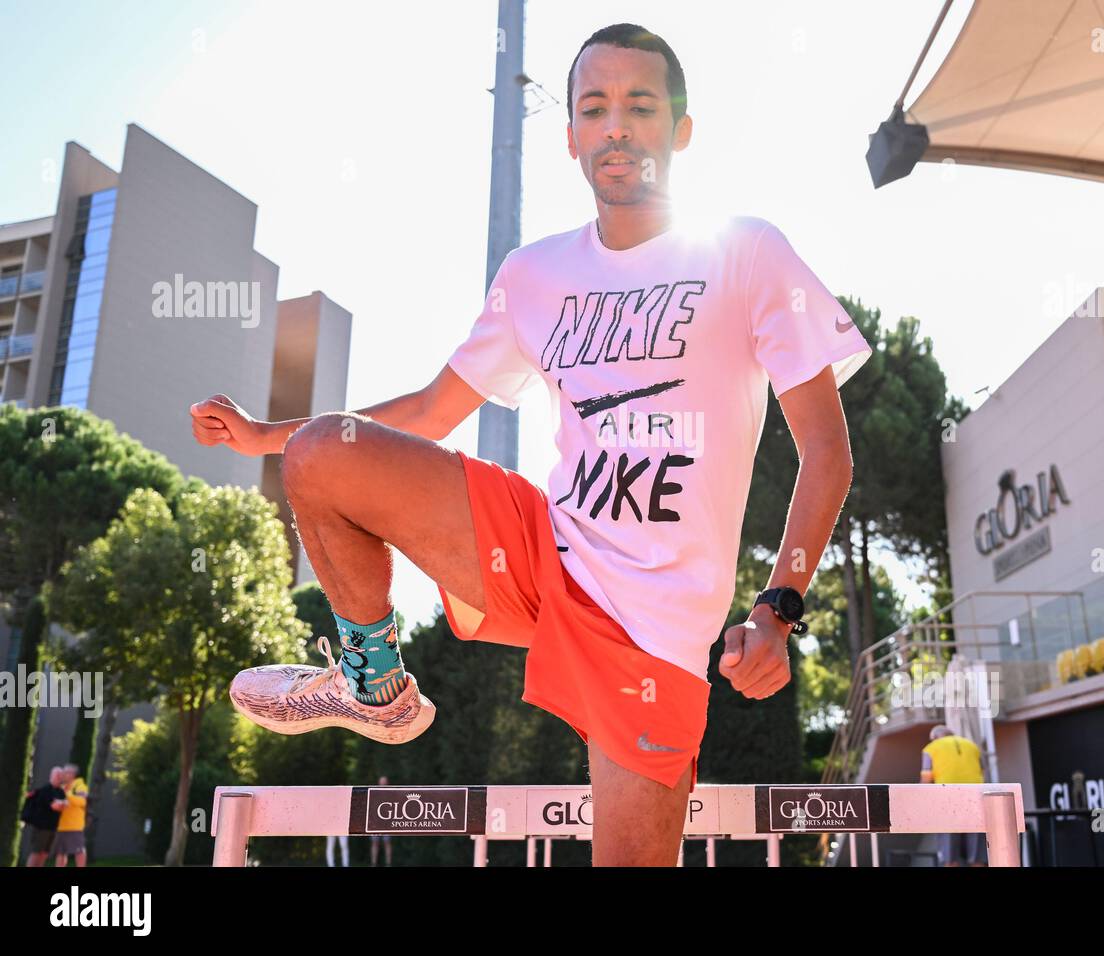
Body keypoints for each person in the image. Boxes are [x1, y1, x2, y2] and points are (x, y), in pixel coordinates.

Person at [191, 22, 871, 866]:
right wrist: (266, 436)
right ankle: (374, 682)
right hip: (542, 552)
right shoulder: (534, 275)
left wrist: (779, 608)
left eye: (640, 106)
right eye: (595, 108)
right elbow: (432, 408)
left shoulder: (748, 254)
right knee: (325, 452)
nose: (616, 126)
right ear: (573, 138)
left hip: (650, 630)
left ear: (681, 130)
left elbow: (828, 454)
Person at [921, 725, 987, 867]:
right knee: (976, 853)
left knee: (949, 851)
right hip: (975, 797)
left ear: (934, 738)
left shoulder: (931, 748)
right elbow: (982, 771)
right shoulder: (972, 746)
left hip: (947, 798)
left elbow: (925, 780)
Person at [22, 766, 68, 867]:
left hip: (53, 827)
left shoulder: (60, 792)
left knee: (44, 854)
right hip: (41, 828)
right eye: (57, 775)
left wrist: (61, 804)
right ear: (52, 775)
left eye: (60, 775)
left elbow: (64, 806)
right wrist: (61, 804)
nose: (59, 777)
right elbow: (55, 806)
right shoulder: (46, 790)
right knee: (36, 853)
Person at [51, 764, 89, 868]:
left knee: (79, 851)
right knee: (60, 853)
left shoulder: (80, 786)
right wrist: (57, 804)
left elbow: (82, 801)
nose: (63, 774)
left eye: (66, 772)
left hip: (75, 826)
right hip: (62, 826)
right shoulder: (62, 788)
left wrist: (68, 795)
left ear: (72, 774)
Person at [370, 776, 393, 867]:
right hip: (376, 822)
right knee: (375, 843)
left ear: (387, 783)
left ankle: (388, 863)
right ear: (378, 783)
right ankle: (373, 863)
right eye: (381, 782)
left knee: (387, 843)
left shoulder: (391, 794)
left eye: (384, 782)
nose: (383, 784)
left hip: (387, 823)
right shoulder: (374, 793)